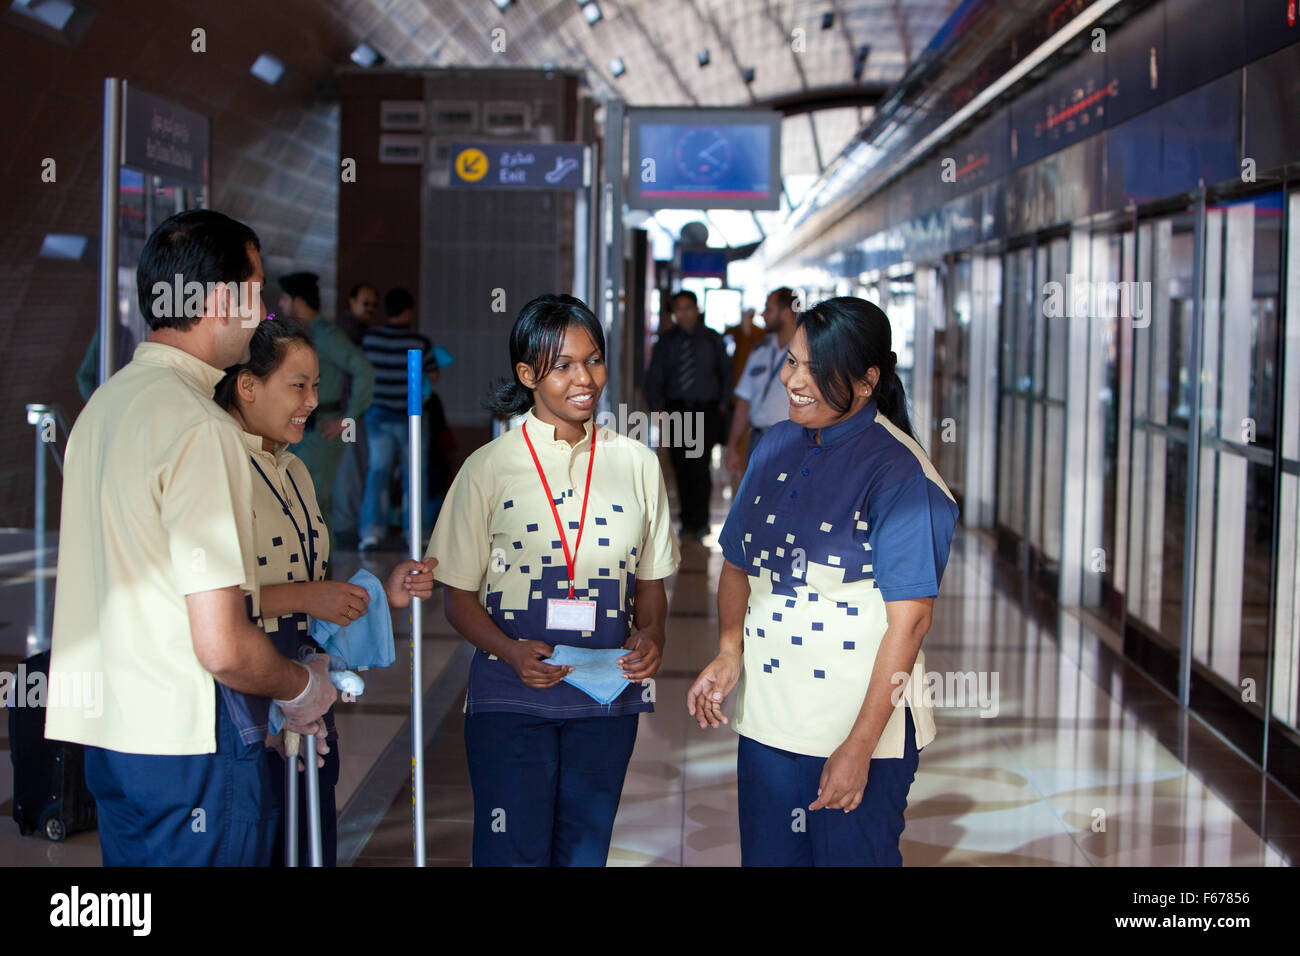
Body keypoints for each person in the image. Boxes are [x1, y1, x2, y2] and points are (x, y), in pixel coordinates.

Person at [45, 209, 336, 866]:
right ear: (217, 300)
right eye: (255, 291)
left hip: (109, 741)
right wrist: (299, 688)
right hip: (188, 743)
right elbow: (222, 643)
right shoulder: (201, 428)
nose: (263, 312)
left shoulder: (106, 407)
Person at [686, 296, 959, 867]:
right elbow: (737, 561)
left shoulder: (901, 473)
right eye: (792, 361)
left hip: (855, 730)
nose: (794, 380)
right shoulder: (776, 445)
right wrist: (729, 651)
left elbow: (911, 622)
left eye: (815, 369)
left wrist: (859, 748)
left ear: (866, 382)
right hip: (768, 725)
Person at [426, 293, 679, 866]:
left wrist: (654, 634)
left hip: (604, 692)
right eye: (562, 365)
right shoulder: (488, 467)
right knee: (511, 849)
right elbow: (458, 599)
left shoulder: (636, 462)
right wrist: (510, 652)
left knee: (584, 852)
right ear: (527, 374)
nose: (583, 378)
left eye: (593, 360)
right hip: (512, 692)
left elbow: (650, 581)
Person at [213, 317, 434, 866]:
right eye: (299, 385)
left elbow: (314, 597)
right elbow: (205, 603)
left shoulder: (295, 470)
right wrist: (308, 596)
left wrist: (381, 594)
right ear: (247, 385)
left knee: (310, 832)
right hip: (244, 692)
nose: (314, 400)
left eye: (316, 386)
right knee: (258, 835)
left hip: (306, 686)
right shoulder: (216, 468)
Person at [277, 272, 374, 557]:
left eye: (285, 298)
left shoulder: (325, 335)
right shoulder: (305, 333)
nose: (281, 304)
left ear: (298, 300)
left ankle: (323, 575)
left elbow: (363, 369)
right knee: (306, 500)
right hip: (307, 428)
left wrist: (349, 417)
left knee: (315, 502)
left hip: (323, 429)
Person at [644, 290, 731, 541]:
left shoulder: (712, 339)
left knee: (700, 467)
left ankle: (701, 522)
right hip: (677, 410)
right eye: (678, 308)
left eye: (688, 307)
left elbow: (726, 373)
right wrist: (655, 408)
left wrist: (723, 405)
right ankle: (686, 521)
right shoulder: (667, 342)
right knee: (681, 467)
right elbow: (654, 377)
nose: (683, 313)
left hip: (705, 409)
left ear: (697, 309)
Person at [359, 287, 437, 551]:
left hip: (378, 414)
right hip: (411, 415)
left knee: (377, 473)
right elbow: (433, 377)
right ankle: (415, 531)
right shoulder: (420, 342)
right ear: (408, 311)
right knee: (414, 475)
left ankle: (370, 532)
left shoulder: (370, 340)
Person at [724, 288, 798, 476]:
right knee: (757, 502)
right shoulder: (759, 351)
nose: (763, 314)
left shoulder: (808, 353)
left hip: (793, 441)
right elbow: (744, 404)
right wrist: (732, 446)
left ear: (786, 313)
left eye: (768, 309)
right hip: (759, 441)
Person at [332, 283, 381, 542]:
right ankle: (345, 527)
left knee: (357, 467)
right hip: (348, 412)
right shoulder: (344, 334)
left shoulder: (360, 333)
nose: (370, 309)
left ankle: (347, 525)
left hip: (355, 411)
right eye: (365, 303)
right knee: (351, 469)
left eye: (374, 305)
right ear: (351, 302)